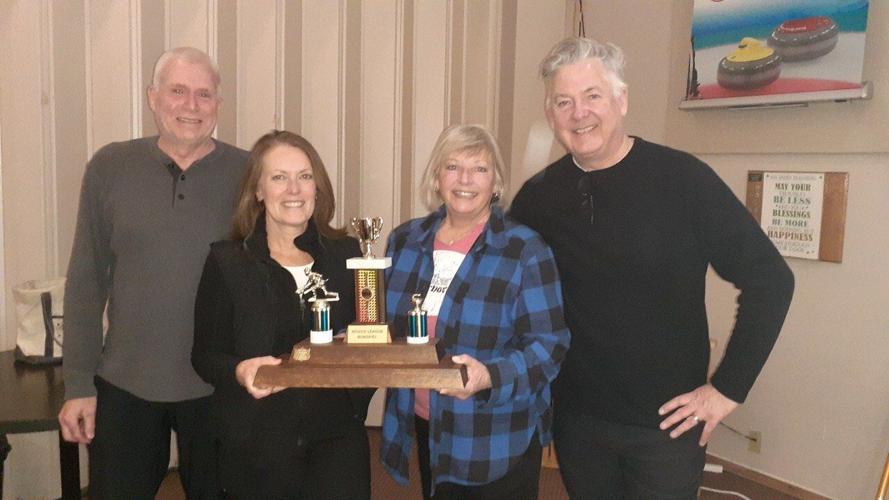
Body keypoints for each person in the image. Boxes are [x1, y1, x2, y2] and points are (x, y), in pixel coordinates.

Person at [510, 37, 795, 498]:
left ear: (621, 100)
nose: (578, 113)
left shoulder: (683, 180)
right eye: (564, 101)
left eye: (593, 96)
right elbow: (500, 278)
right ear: (550, 114)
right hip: (577, 419)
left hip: (666, 424)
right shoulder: (539, 196)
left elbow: (771, 278)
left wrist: (726, 389)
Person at [58, 47, 247, 498]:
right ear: (153, 97)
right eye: (178, 91)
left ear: (218, 105)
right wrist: (79, 384)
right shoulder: (110, 167)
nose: (191, 106)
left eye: (205, 95)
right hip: (126, 383)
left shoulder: (248, 173)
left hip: (218, 386)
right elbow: (86, 282)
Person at [380, 124, 570, 499]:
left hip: (494, 433)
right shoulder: (404, 241)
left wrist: (490, 377)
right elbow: (387, 325)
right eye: (453, 167)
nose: (465, 179)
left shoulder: (525, 250)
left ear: (496, 182)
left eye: (479, 169)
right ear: (437, 177)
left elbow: (549, 345)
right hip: (426, 419)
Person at [191, 130, 374, 499]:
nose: (294, 189)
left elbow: (369, 335)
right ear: (257, 190)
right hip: (257, 443)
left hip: (337, 438)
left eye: (304, 176)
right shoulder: (228, 262)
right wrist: (240, 372)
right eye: (279, 177)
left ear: (317, 187)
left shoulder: (347, 254)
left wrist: (354, 360)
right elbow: (204, 356)